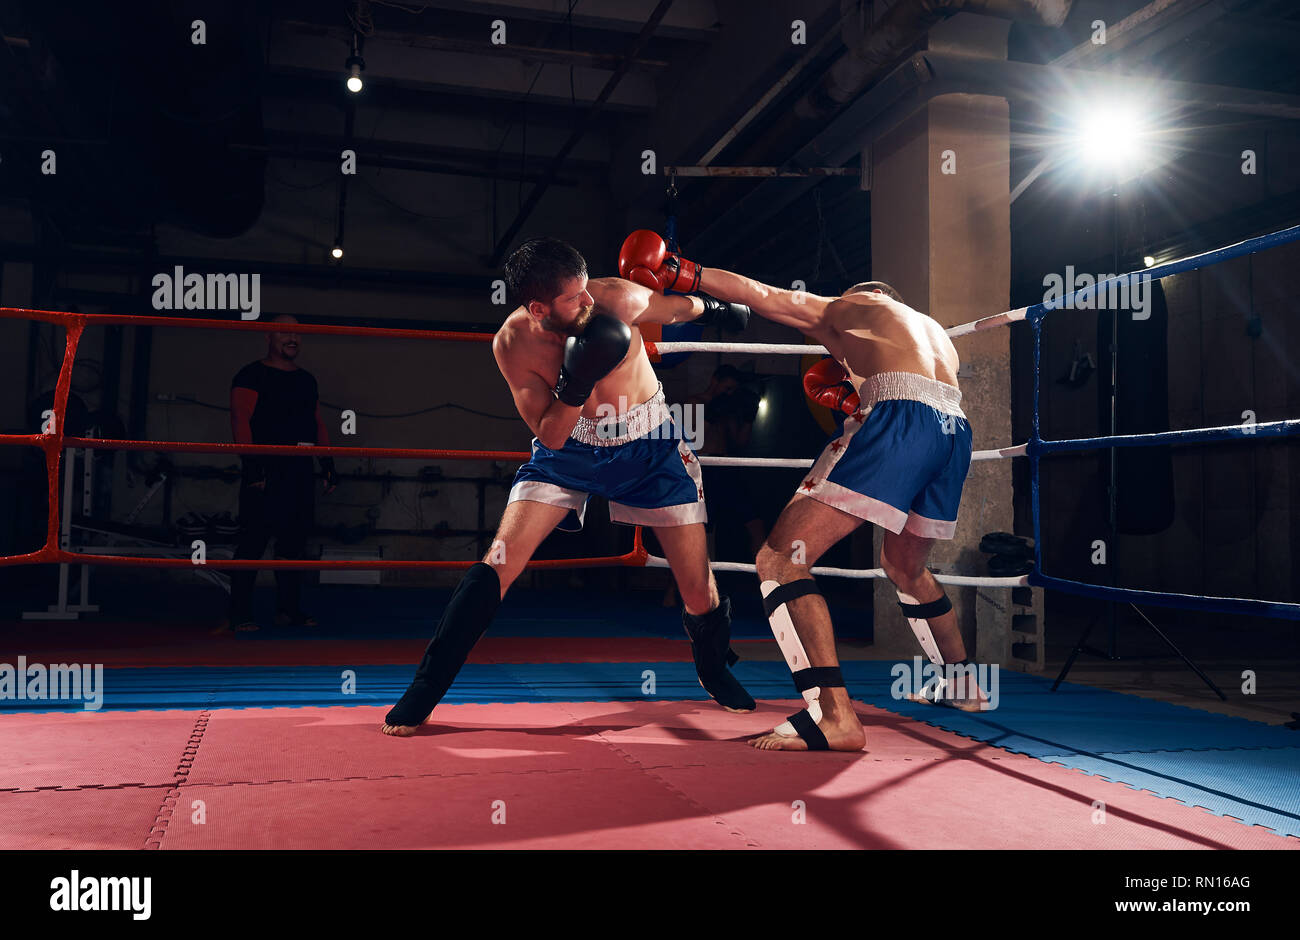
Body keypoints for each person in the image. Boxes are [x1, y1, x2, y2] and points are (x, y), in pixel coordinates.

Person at [619, 230, 984, 753]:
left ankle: (833, 715)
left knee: (780, 559)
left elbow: (763, 296)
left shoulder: (849, 305)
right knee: (905, 566)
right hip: (954, 430)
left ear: (868, 295)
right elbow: (922, 393)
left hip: (900, 416)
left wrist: (685, 272)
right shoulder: (931, 332)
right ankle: (964, 686)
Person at [382, 236, 755, 735]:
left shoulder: (615, 298)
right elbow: (552, 434)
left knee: (695, 586)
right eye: (573, 298)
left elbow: (673, 307)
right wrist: (577, 378)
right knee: (498, 562)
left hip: (650, 444)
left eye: (586, 290)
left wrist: (716, 309)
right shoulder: (513, 343)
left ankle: (712, 670)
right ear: (538, 308)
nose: (587, 303)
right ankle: (425, 689)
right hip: (569, 450)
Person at [226, 315, 337, 632]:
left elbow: (316, 422)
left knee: (293, 545)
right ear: (268, 337)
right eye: (284, 332)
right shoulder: (251, 375)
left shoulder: (306, 380)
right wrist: (252, 465)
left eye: (297, 333)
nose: (292, 338)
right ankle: (239, 613)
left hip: (299, 468)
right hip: (265, 468)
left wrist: (327, 464)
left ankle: (288, 610)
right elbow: (240, 419)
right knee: (252, 543)